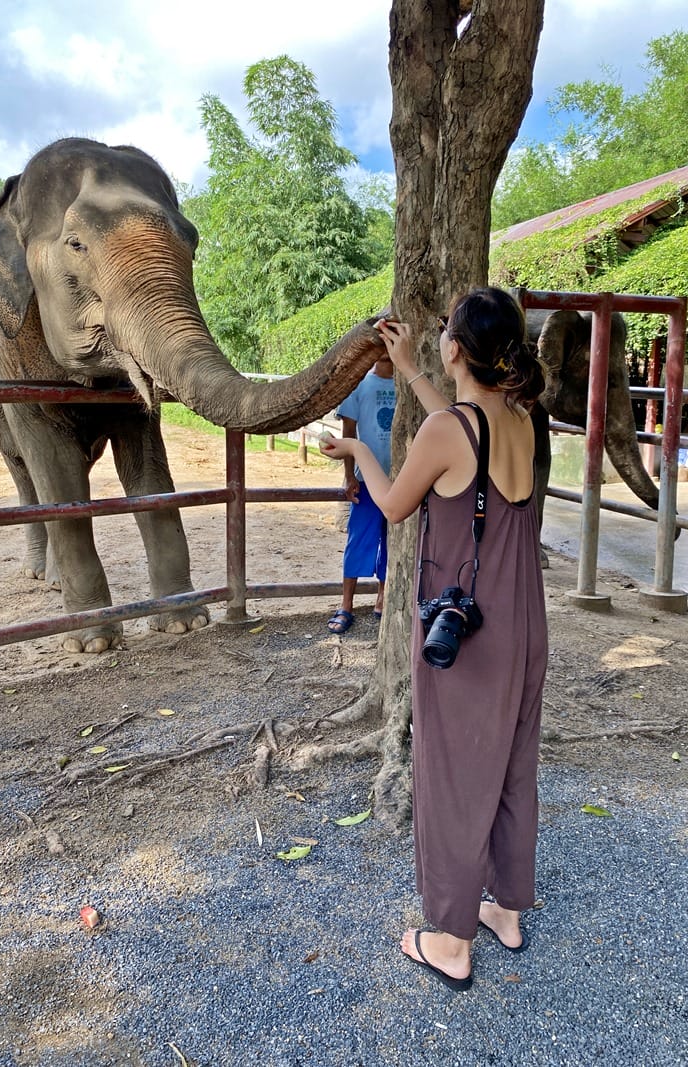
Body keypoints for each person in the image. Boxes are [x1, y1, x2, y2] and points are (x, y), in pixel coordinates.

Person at [320, 288, 547, 991]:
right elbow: (457, 419)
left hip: (465, 632)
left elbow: (393, 505)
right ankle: (504, 909)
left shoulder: (448, 429)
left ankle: (450, 939)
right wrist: (411, 364)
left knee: (450, 776)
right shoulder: (527, 416)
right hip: (524, 622)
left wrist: (358, 446)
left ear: (455, 347)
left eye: (444, 331)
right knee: (512, 765)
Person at [326, 348, 396, 634]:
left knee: (392, 541)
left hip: (401, 481)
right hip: (366, 480)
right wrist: (348, 477)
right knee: (359, 540)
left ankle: (384, 596)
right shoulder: (358, 387)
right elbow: (349, 435)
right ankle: (346, 605)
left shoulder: (410, 386)